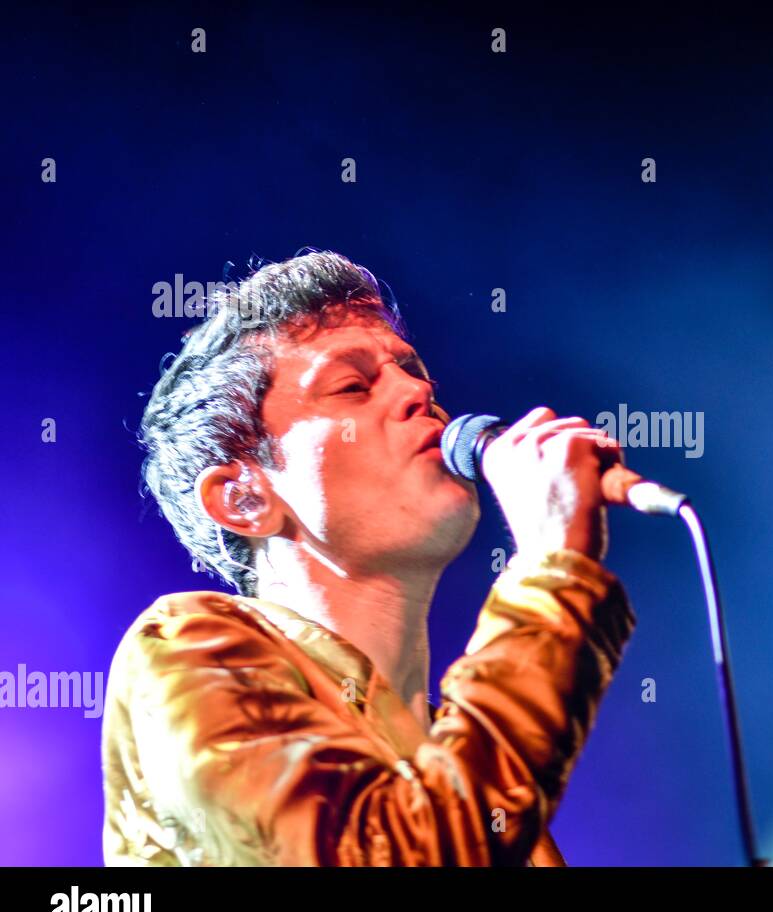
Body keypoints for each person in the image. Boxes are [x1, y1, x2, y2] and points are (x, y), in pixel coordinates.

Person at [102, 251, 635, 866]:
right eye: (352, 386)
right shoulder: (186, 647)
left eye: (412, 371)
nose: (420, 391)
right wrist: (552, 572)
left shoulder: (473, 769)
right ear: (243, 495)